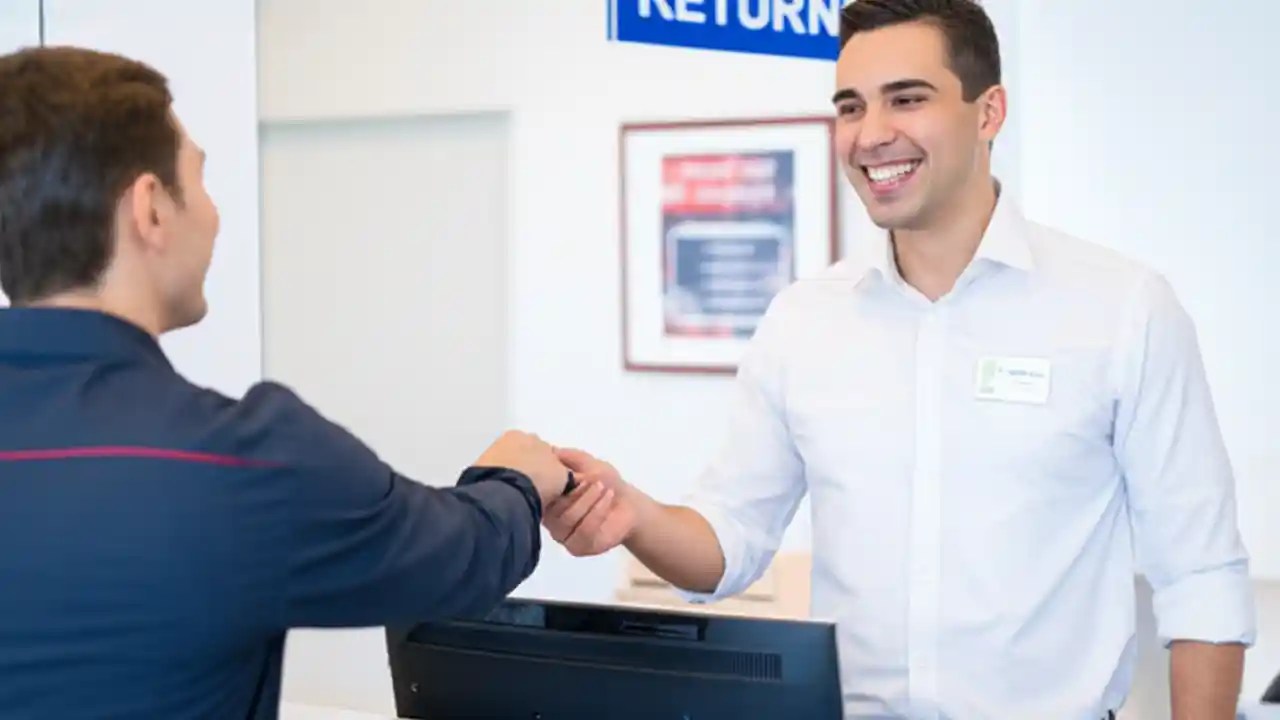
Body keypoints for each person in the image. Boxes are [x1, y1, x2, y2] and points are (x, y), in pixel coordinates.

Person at [544, 1, 1255, 718]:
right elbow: (729, 540)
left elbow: (1200, 576)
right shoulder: (804, 322)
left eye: (907, 99)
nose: (871, 134)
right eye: (850, 107)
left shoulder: (1122, 309)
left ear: (989, 112)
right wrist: (632, 513)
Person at [0, 46, 572, 718]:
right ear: (150, 209)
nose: (213, 214)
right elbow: (459, 558)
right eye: (200, 180)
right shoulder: (238, 460)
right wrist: (517, 480)